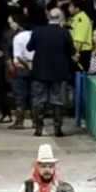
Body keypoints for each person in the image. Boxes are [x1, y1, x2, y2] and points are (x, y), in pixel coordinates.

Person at [28, 7, 76, 137]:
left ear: (48, 17)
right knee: (58, 101)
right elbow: (72, 52)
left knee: (38, 100)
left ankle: (38, 128)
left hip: (40, 71)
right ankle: (57, 129)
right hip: (59, 72)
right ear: (60, 18)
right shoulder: (65, 33)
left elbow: (29, 47)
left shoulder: (38, 31)